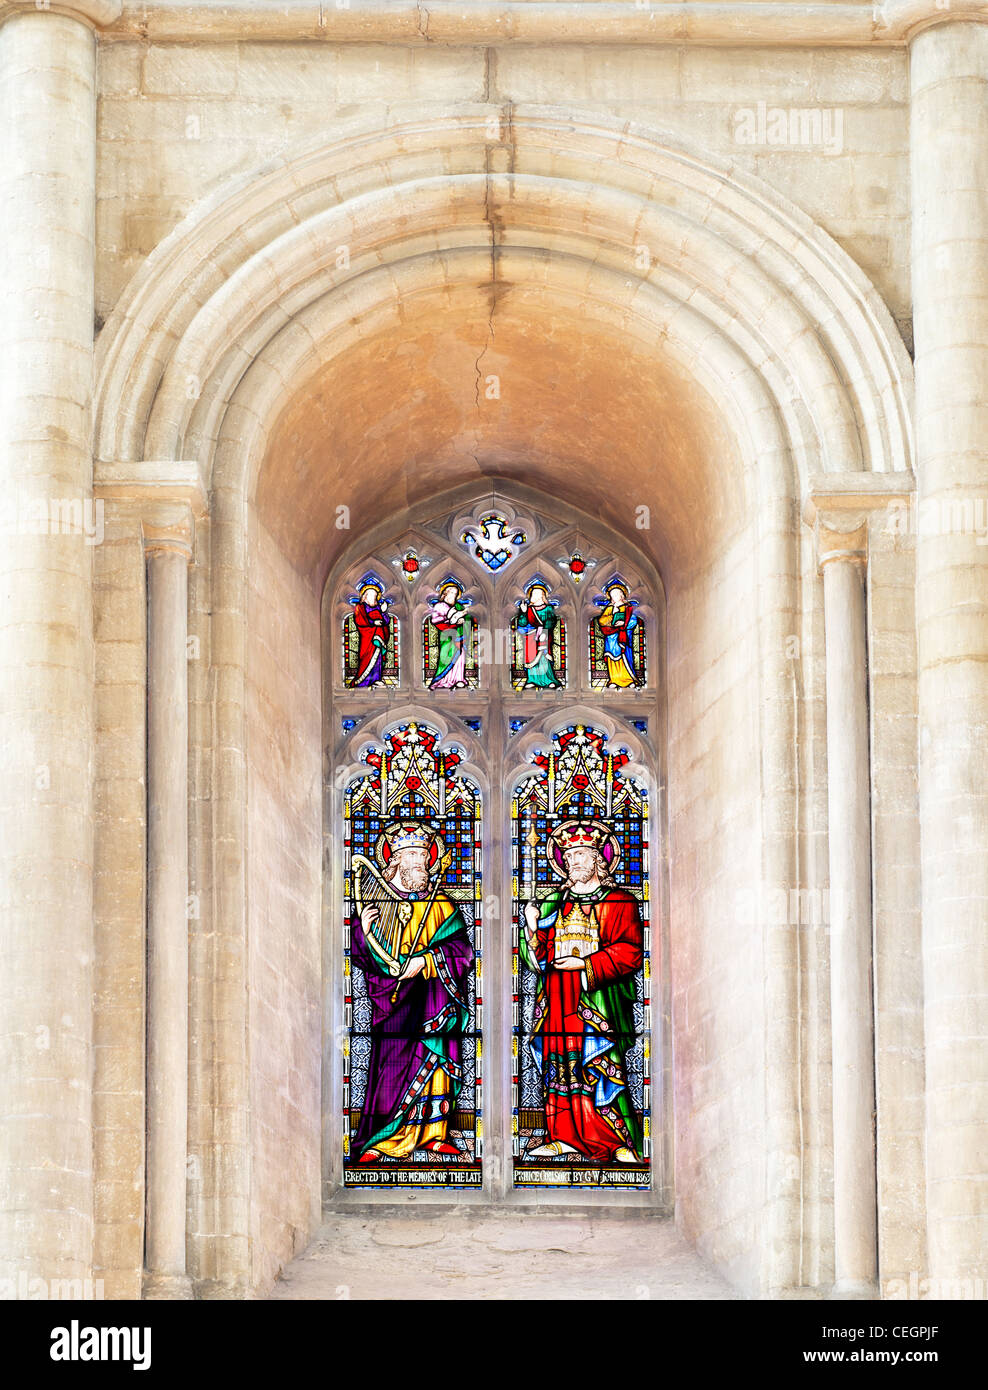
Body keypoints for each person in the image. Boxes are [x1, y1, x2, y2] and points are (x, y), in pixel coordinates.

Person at [522, 819, 644, 1164]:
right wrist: (532, 926)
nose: (572, 862)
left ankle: (618, 1141)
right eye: (568, 855)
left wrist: (586, 965)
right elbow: (537, 957)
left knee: (598, 1067)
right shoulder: (552, 904)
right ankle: (563, 1137)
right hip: (557, 1000)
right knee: (560, 1070)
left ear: (597, 860)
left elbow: (631, 951)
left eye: (580, 855)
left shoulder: (619, 901)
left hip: (596, 1000)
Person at [351, 823, 473, 1163]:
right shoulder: (377, 903)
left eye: (423, 854)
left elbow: (462, 951)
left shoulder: (442, 904)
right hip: (393, 1004)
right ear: (396, 860)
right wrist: (363, 930)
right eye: (412, 855)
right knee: (391, 1067)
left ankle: (434, 1134)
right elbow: (363, 953)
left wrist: (426, 960)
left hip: (434, 997)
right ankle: (384, 1138)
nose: (420, 861)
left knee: (434, 1064)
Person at [516, 582, 564, 688]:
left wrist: (544, 632)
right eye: (533, 594)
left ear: (542, 595)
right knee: (531, 658)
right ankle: (532, 680)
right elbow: (522, 623)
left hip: (544, 636)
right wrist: (523, 612)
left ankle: (549, 680)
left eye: (537, 594)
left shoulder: (548, 609)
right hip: (530, 638)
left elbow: (551, 621)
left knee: (543, 658)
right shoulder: (528, 609)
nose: (534, 596)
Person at [595, 582, 642, 688]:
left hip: (623, 636)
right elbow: (602, 621)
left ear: (622, 595)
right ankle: (614, 680)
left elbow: (633, 620)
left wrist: (623, 623)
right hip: (611, 638)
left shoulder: (628, 608)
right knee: (612, 658)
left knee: (625, 656)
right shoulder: (609, 608)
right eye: (612, 595)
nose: (614, 597)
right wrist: (612, 617)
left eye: (616, 594)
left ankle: (629, 680)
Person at [428, 581, 472, 688]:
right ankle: (442, 680)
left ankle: (458, 679)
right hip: (447, 638)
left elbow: (467, 619)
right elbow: (435, 620)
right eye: (451, 593)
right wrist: (450, 621)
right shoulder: (439, 606)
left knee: (460, 657)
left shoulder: (459, 606)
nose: (453, 595)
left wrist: (463, 620)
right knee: (446, 657)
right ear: (445, 593)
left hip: (459, 637)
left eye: (455, 594)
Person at [348, 581, 391, 687]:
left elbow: (386, 621)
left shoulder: (378, 608)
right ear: (365, 596)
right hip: (368, 637)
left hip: (379, 636)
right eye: (372, 595)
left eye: (375, 595)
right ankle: (363, 680)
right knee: (367, 657)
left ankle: (377, 678)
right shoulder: (360, 607)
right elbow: (360, 620)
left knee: (379, 658)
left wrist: (383, 611)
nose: (374, 597)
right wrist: (373, 622)